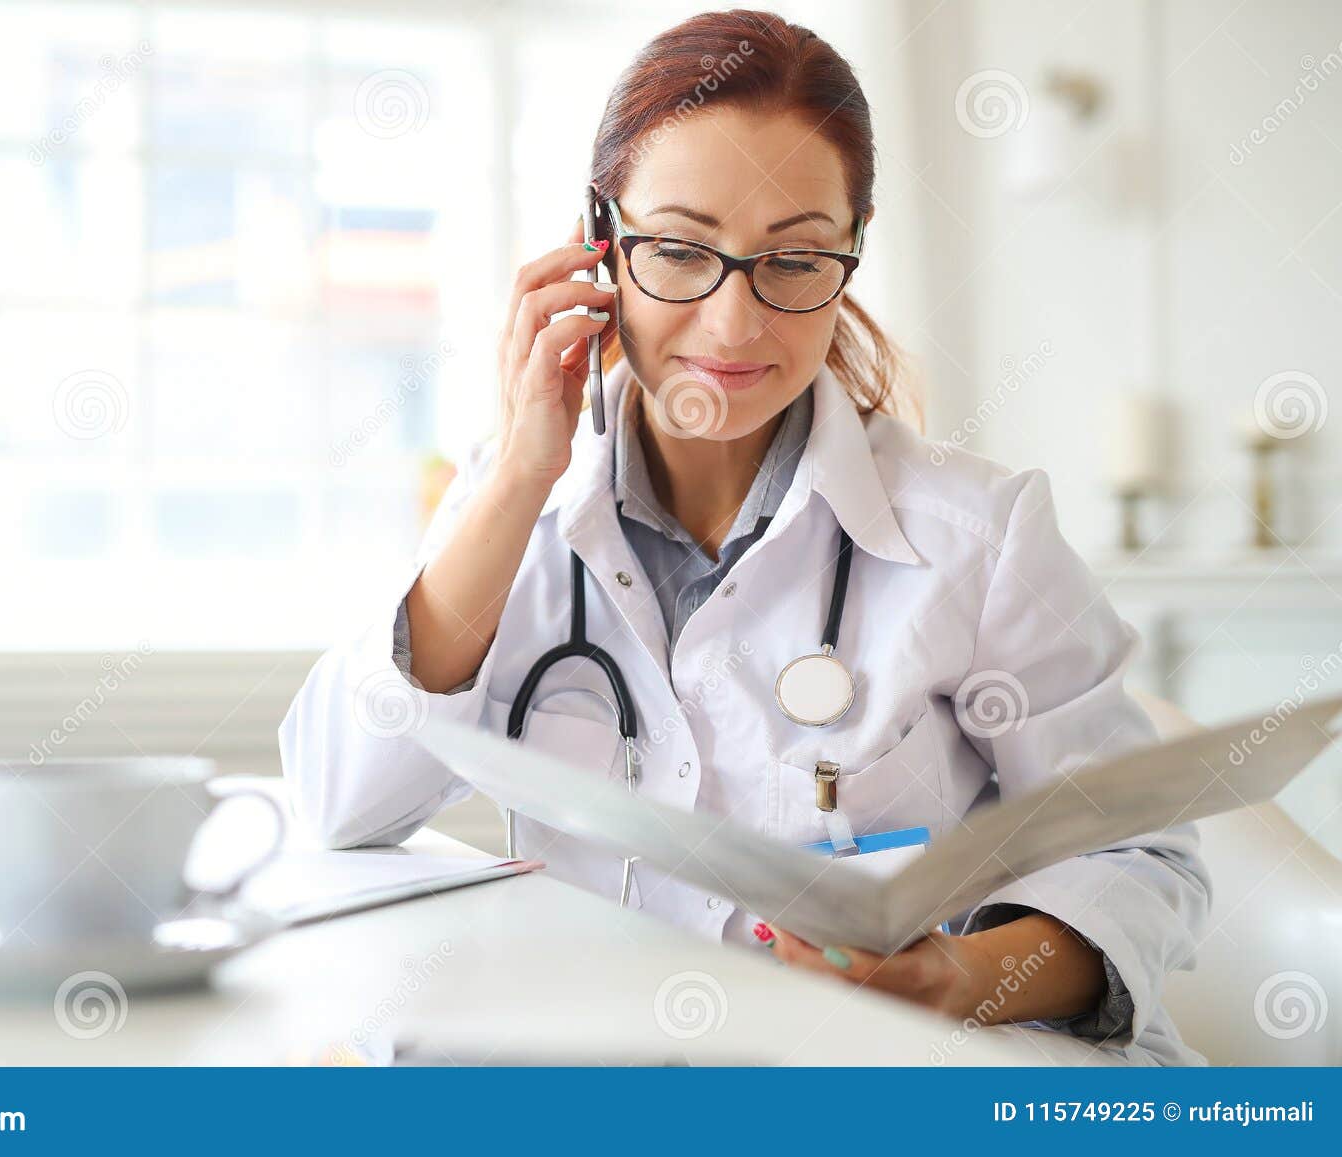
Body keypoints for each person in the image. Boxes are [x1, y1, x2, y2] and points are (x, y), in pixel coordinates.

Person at [279, 9, 1209, 1066]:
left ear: (850, 252)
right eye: (677, 249)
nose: (733, 325)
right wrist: (521, 476)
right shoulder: (515, 509)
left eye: (796, 259)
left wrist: (959, 978)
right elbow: (337, 802)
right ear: (602, 241)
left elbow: (1142, 856)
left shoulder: (976, 536)